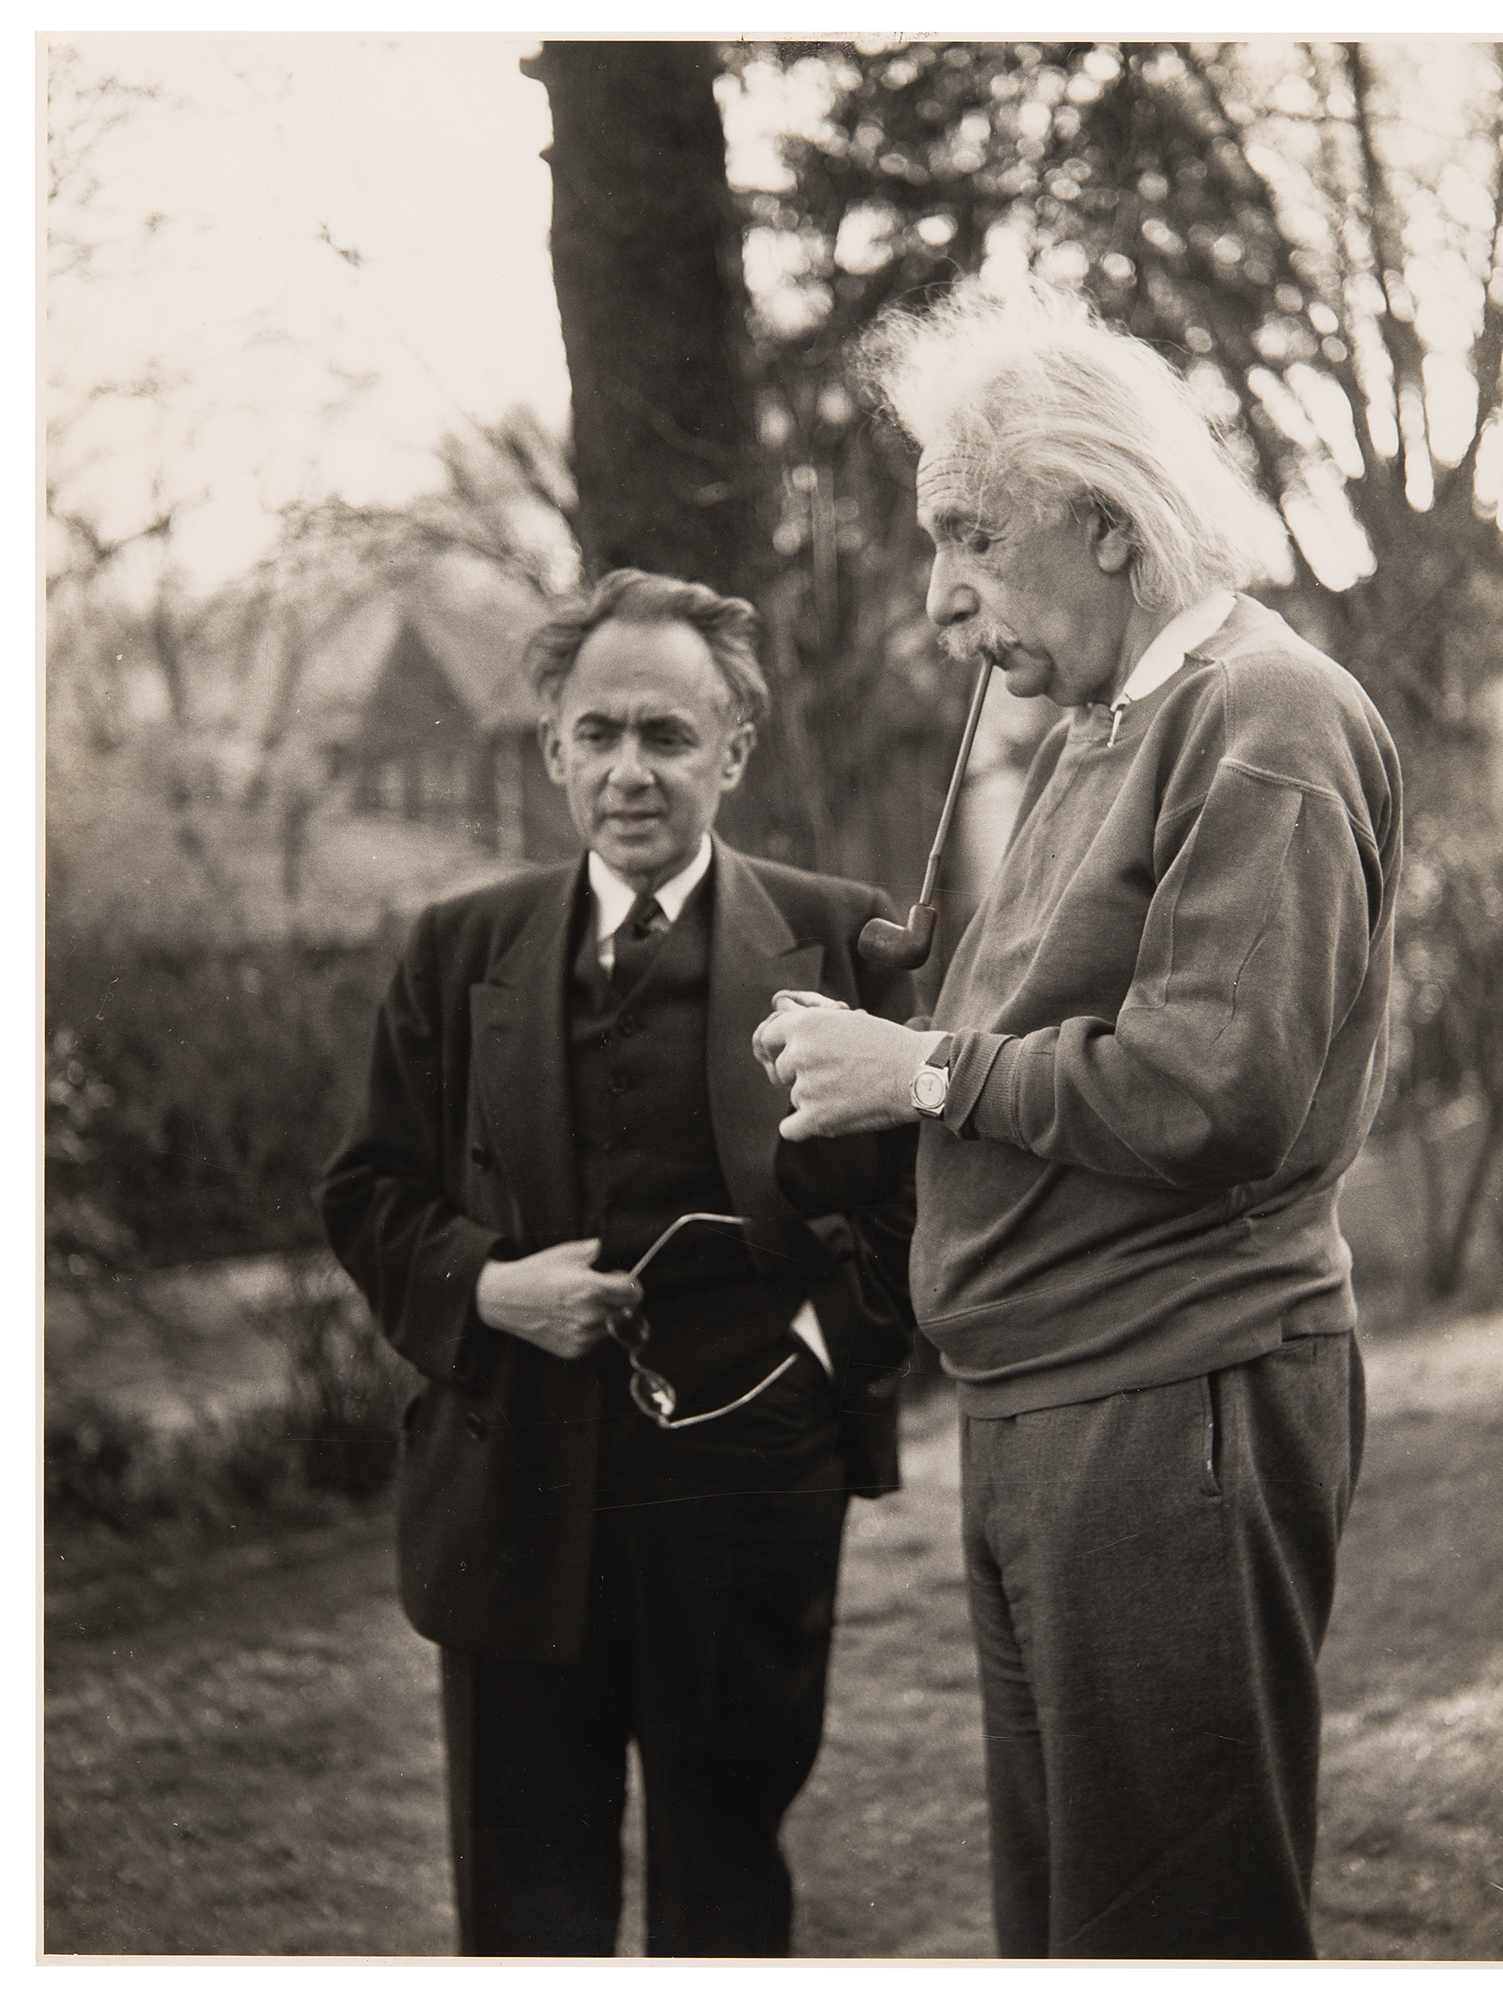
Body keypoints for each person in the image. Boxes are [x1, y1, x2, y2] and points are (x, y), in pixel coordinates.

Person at [754, 282, 1402, 1961]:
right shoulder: (1107, 727)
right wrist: (914, 1034)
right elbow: (1056, 1033)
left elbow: (1212, 1092)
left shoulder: (1265, 719)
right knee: (1068, 1932)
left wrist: (921, 1075)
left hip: (1166, 1403)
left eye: (970, 534)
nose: (940, 595)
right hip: (1056, 1402)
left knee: (1174, 1932)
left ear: (1108, 525)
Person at [321, 569, 917, 1958]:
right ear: (551, 752)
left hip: (745, 1507)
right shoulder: (456, 950)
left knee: (725, 1897)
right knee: (526, 1916)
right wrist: (484, 1288)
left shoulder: (844, 939)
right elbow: (368, 1188)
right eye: (598, 736)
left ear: (734, 750)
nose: (629, 772)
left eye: (665, 735)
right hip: (512, 1492)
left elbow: (918, 1212)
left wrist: (814, 1368)